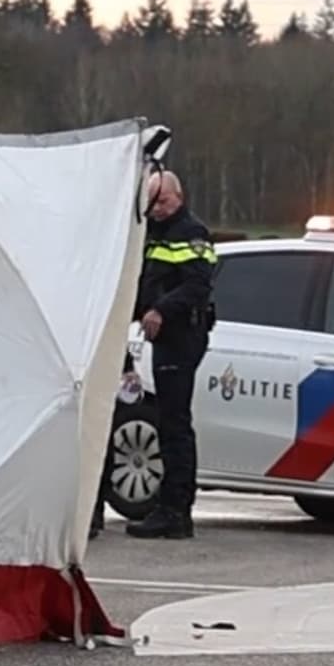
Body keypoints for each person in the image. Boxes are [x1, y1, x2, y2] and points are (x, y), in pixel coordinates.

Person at [123, 167, 216, 540]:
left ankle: (176, 511)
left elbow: (197, 286)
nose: (158, 209)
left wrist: (160, 309)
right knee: (168, 421)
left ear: (179, 197)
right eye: (153, 204)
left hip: (181, 335)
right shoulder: (154, 232)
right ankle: (171, 507)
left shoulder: (192, 233)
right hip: (165, 340)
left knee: (175, 424)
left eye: (163, 201)